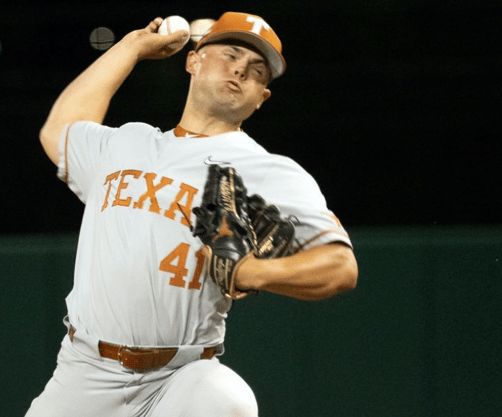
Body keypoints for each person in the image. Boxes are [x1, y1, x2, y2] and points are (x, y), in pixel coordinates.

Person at [27, 11, 358, 417]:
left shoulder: (266, 170)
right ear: (193, 60)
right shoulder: (128, 143)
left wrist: (252, 272)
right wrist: (132, 47)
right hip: (82, 373)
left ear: (261, 98)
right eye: (231, 53)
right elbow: (58, 130)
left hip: (179, 379)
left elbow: (340, 267)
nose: (241, 68)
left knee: (226, 398)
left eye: (257, 71)